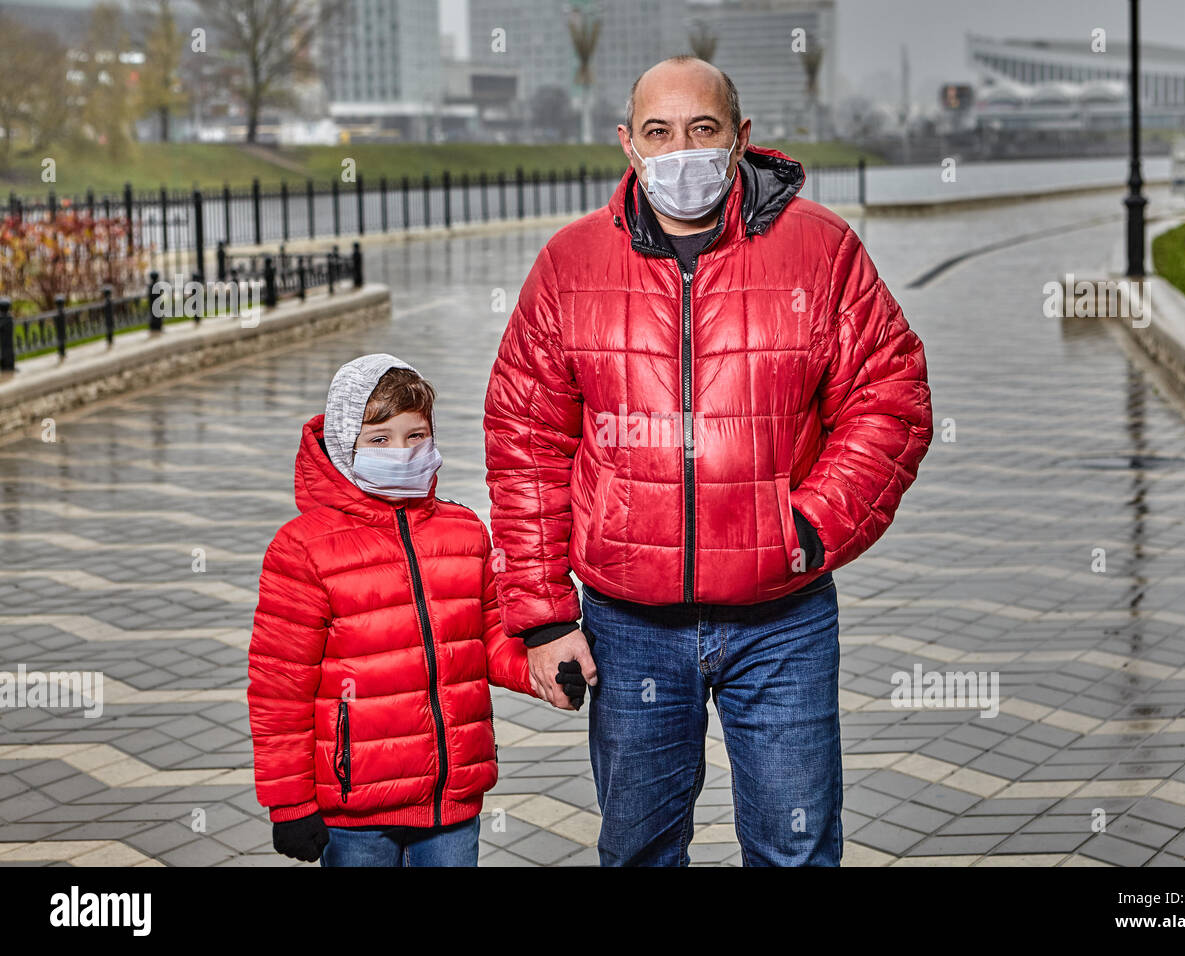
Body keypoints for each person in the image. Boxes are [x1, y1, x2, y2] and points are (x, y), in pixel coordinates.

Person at [483, 56, 933, 866]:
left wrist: (810, 523)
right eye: (659, 132)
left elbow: (890, 397)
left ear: (741, 139)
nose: (680, 150)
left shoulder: (820, 250)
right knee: (639, 853)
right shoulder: (571, 265)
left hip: (782, 618)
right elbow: (526, 441)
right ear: (628, 143)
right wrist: (544, 615)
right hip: (628, 625)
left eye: (702, 130)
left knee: (795, 851)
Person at [248, 353, 542, 866]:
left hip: (450, 801)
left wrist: (539, 671)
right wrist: (289, 802)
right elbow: (280, 689)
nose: (402, 452)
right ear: (345, 447)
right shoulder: (303, 548)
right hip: (355, 807)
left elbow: (490, 638)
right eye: (379, 439)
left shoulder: (463, 530)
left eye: (416, 435)